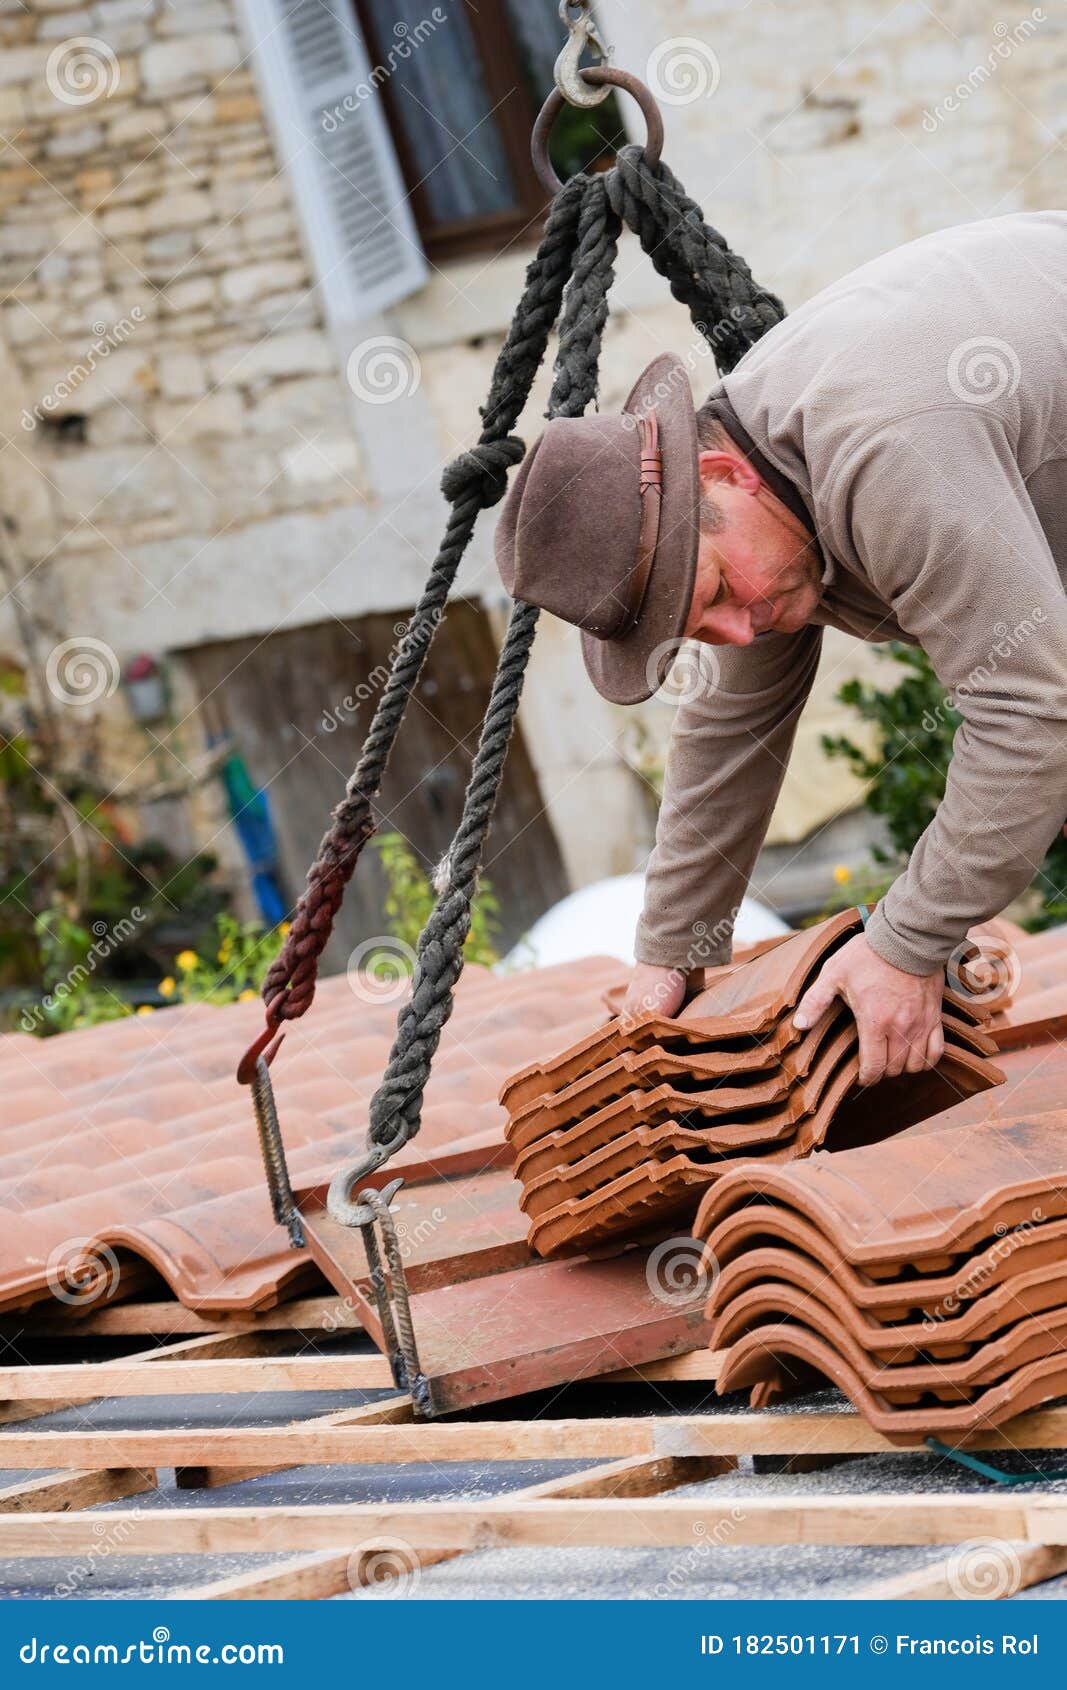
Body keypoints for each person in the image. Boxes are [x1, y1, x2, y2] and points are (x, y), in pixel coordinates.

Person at [494, 212, 1067, 1086]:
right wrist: (672, 950)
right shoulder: (749, 480)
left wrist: (904, 945)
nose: (734, 632)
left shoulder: (883, 448)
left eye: (718, 595)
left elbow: (1032, 712)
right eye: (698, 628)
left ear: (721, 479)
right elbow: (732, 725)